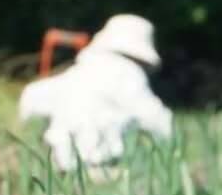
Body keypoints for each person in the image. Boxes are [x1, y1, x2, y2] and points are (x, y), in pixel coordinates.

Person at [18, 13, 174, 169]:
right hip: (99, 162)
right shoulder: (130, 73)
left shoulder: (83, 68)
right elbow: (158, 121)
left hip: (56, 158)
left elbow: (32, 96)